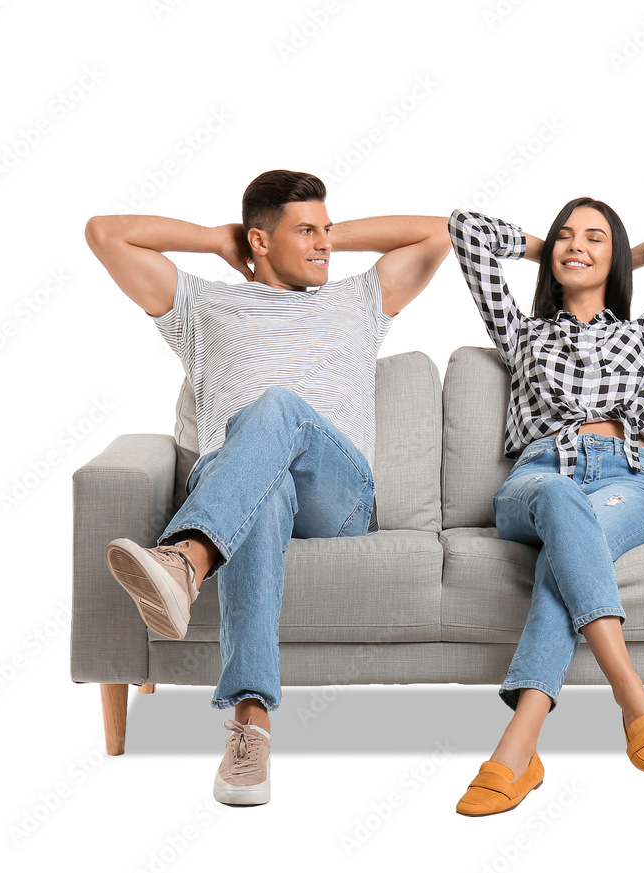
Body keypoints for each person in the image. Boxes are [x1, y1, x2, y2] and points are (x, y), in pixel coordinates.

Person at [84, 169, 450, 805]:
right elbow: (104, 233)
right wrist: (219, 240)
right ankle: (250, 728)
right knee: (264, 494)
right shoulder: (202, 306)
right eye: (305, 231)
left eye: (326, 230)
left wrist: (322, 236)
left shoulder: (357, 302)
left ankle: (187, 559)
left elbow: (439, 233)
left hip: (335, 497)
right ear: (260, 238)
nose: (324, 245)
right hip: (247, 493)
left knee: (276, 407)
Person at [448, 199, 644, 816]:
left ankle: (518, 750)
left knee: (567, 559)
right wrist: (541, 247)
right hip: (539, 477)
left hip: (631, 477)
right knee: (559, 498)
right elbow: (466, 229)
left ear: (613, 254)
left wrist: (633, 255)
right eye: (566, 238)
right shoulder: (521, 333)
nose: (577, 245)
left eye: (594, 238)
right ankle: (631, 694)